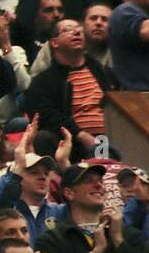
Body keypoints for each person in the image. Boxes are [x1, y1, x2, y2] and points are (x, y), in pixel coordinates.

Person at [26, 19, 114, 158]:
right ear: (54, 43)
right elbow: (46, 117)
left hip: (109, 138)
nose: (77, 32)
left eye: (79, 29)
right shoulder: (43, 82)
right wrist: (80, 134)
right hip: (72, 145)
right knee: (43, 138)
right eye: (68, 30)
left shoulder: (101, 71)